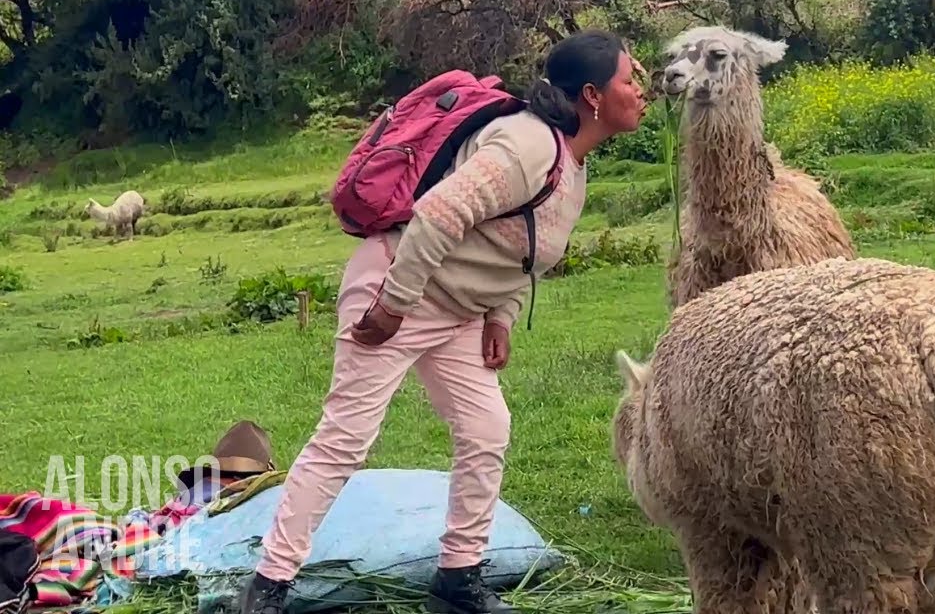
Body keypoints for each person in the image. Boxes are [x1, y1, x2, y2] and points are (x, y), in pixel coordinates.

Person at [238, 30, 648, 614]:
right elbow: (437, 216)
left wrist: (499, 317)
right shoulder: (528, 145)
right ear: (592, 95)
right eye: (630, 79)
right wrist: (392, 306)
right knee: (345, 439)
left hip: (455, 312)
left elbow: (519, 250)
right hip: (397, 286)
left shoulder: (572, 165)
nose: (640, 91)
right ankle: (268, 585)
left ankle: (457, 580)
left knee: (486, 428)